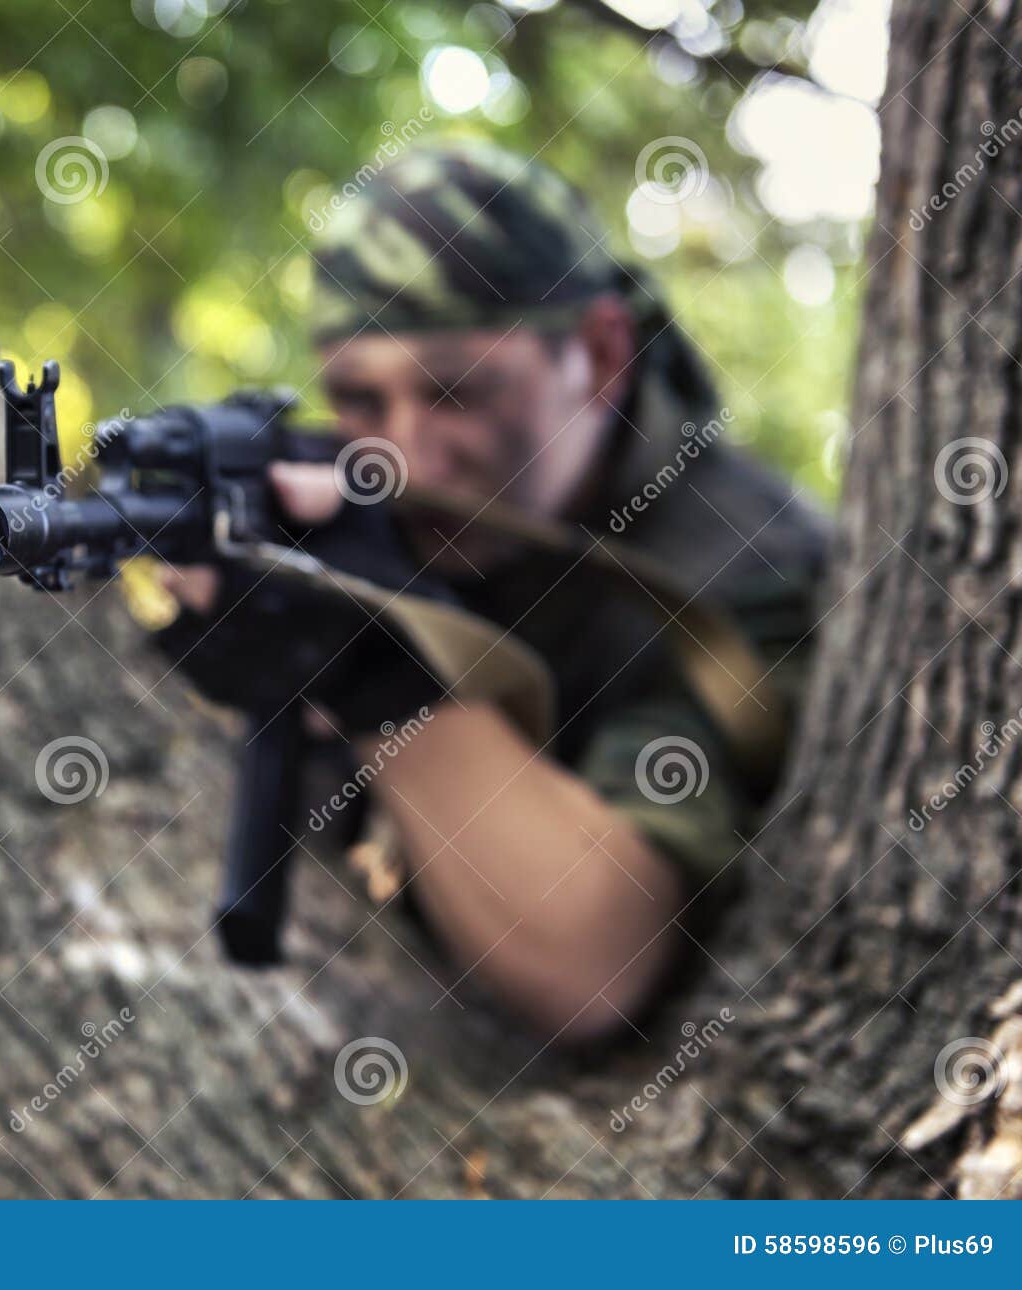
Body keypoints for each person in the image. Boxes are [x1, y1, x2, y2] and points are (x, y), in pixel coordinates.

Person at [153, 140, 830, 1044]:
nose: (405, 455)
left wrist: (369, 663)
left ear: (599, 352)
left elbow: (591, 960)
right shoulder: (371, 509)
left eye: (459, 393)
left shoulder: (740, 565)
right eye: (357, 400)